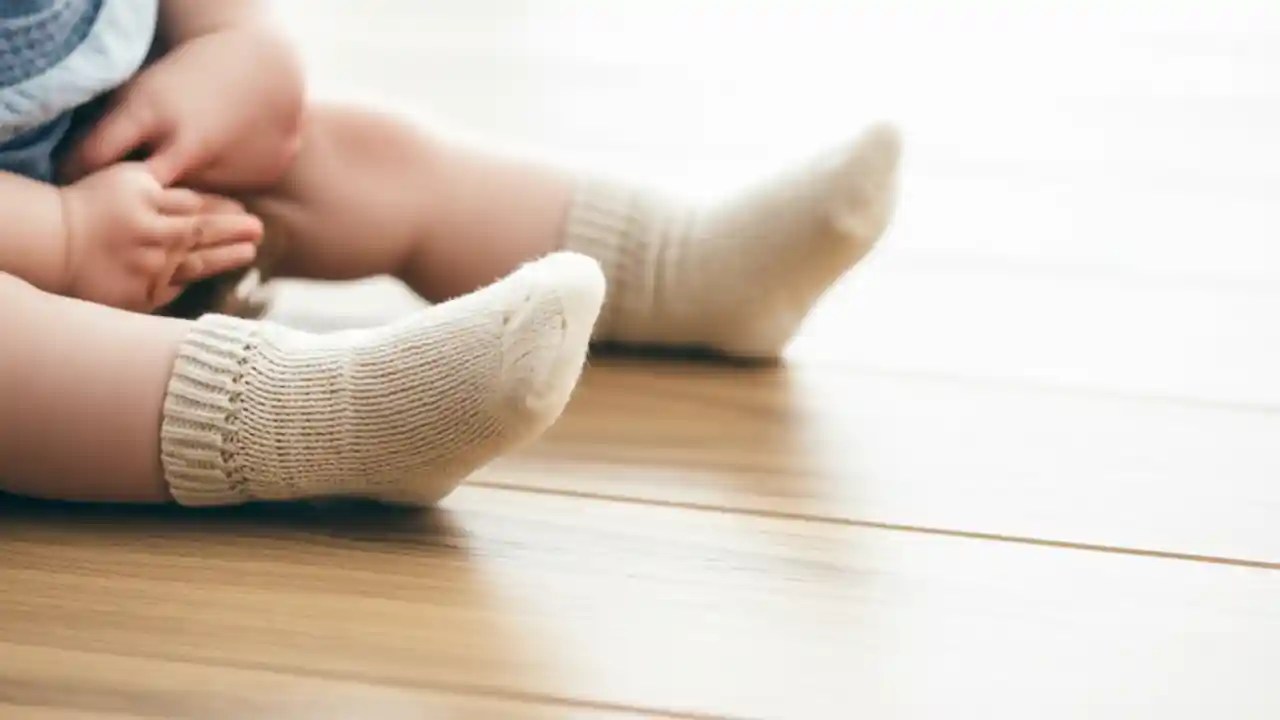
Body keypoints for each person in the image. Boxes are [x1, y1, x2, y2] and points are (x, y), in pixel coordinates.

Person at [0, 0, 901, 508]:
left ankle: (684, 270)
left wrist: (237, 51)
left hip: (115, 167)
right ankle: (328, 416)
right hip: (33, 241)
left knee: (350, 157)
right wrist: (65, 238)